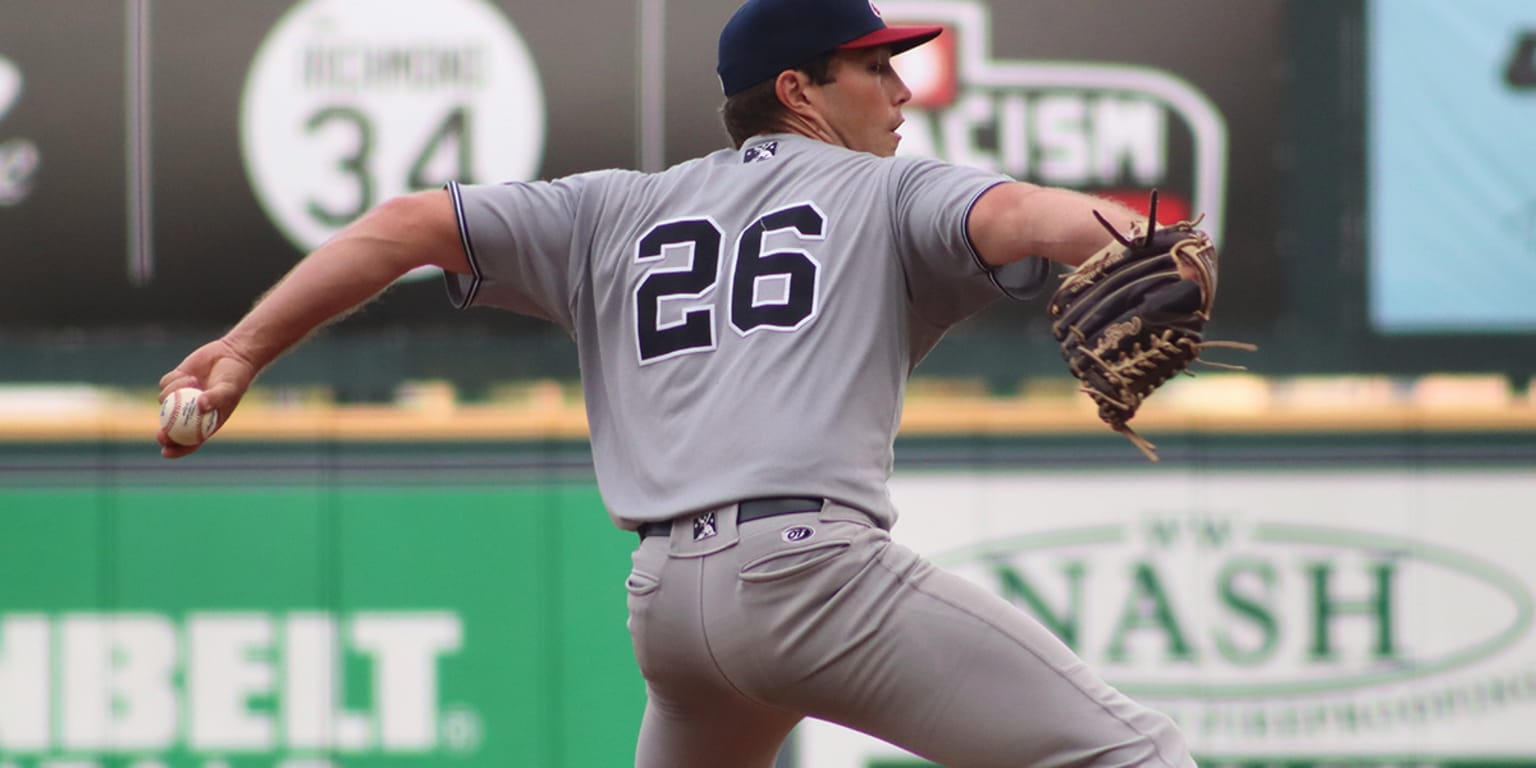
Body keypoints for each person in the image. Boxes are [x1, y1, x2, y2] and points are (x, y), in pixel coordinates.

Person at [158, 0, 1197, 764]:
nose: (899, 89)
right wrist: (1156, 243)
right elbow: (1030, 217)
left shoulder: (614, 209)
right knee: (1135, 756)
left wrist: (245, 350)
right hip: (813, 581)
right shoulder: (888, 192)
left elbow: (404, 226)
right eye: (873, 64)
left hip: (671, 612)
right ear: (799, 91)